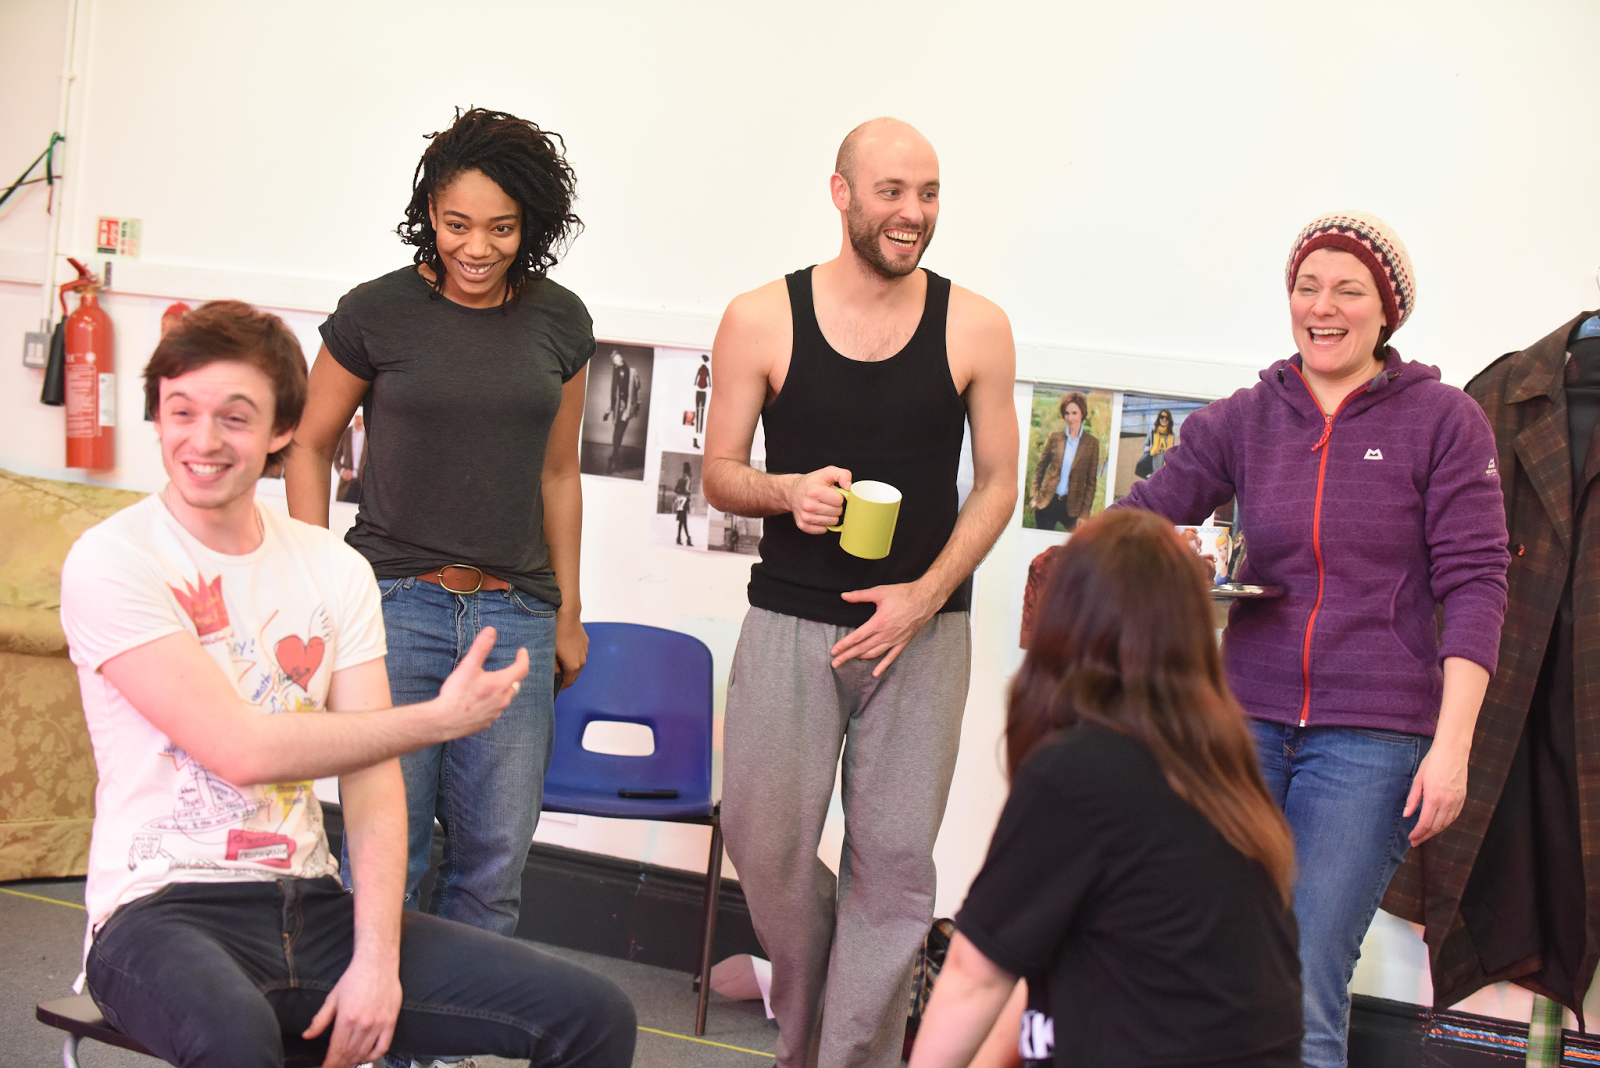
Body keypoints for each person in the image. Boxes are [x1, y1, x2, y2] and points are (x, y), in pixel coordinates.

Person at [61, 301, 635, 1068]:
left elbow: (372, 780)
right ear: (158, 419)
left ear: (281, 432)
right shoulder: (114, 560)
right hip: (158, 912)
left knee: (594, 1014)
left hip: (311, 901)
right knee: (237, 1037)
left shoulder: (333, 567)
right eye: (181, 412)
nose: (202, 440)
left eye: (235, 418)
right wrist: (433, 721)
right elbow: (240, 749)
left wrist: (376, 958)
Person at [1117, 211, 1510, 1068]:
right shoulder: (1248, 418)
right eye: (1307, 287)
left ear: (1384, 312)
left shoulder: (1445, 422)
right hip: (1243, 722)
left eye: (1348, 289)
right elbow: (1137, 521)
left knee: (1303, 967)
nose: (1322, 307)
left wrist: (1453, 749)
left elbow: (1477, 585)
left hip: (1372, 738)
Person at [703, 116, 1019, 1068]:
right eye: (891, 192)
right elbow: (720, 472)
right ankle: (808, 1030)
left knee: (893, 870)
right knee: (765, 848)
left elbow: (1000, 481)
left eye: (927, 195)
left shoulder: (976, 324)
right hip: (791, 619)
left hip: (922, 634)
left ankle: (849, 1058)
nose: (912, 214)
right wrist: (784, 491)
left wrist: (924, 594)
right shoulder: (761, 315)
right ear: (841, 193)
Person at [284, 109, 592, 945]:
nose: (477, 248)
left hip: (516, 617)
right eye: (456, 225)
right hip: (393, 609)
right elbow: (308, 446)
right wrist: (318, 584)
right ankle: (370, 1034)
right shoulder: (376, 313)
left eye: (500, 227)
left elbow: (558, 473)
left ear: (531, 224)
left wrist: (566, 611)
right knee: (390, 851)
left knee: (494, 863)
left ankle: (448, 1047)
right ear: (429, 214)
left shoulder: (560, 321)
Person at [907, 508, 1303, 1068]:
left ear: (1067, 621)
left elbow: (975, 978)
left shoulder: (1080, 772)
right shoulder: (1220, 770)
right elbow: (1030, 969)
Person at [1028, 392, 1099, 532]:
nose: (1070, 417)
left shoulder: (1092, 443)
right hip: (1047, 502)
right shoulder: (1055, 438)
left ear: (1082, 414)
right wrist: (1034, 495)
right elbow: (1040, 468)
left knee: (1076, 549)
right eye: (1067, 413)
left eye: (1074, 413)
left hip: (1073, 508)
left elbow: (1091, 483)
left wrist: (1084, 514)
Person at [603, 349, 638, 474]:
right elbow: (614, 396)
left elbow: (637, 391)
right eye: (616, 359)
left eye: (620, 357)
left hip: (627, 409)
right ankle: (614, 461)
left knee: (619, 434)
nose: (620, 360)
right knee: (617, 434)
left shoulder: (632, 372)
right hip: (618, 409)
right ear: (615, 363)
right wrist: (608, 412)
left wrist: (637, 407)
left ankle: (612, 460)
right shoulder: (616, 374)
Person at [333, 410, 365, 504]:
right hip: (347, 484)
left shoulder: (370, 434)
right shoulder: (346, 433)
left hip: (364, 485)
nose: (359, 419)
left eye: (361, 416)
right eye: (357, 416)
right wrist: (342, 472)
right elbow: (336, 456)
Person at [1140, 407, 1176, 475]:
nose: (1164, 419)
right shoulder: (1152, 432)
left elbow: (1173, 453)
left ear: (1169, 420)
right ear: (1159, 418)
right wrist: (1149, 448)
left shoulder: (1172, 435)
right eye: (1162, 417)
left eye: (1167, 418)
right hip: (1152, 470)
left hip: (1166, 471)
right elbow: (1144, 447)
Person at [693, 353, 711, 449]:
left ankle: (698, 430)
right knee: (701, 411)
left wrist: (695, 383)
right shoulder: (705, 369)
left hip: (701, 389)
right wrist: (709, 385)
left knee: (699, 410)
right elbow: (708, 378)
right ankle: (698, 431)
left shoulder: (701, 369)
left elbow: (700, 377)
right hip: (702, 389)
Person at [674, 461, 693, 546]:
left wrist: (681, 494)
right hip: (684, 502)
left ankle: (679, 538)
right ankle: (687, 539)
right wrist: (687, 493)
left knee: (682, 522)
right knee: (683, 521)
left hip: (680, 502)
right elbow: (686, 491)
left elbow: (676, 490)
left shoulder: (681, 480)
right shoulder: (687, 481)